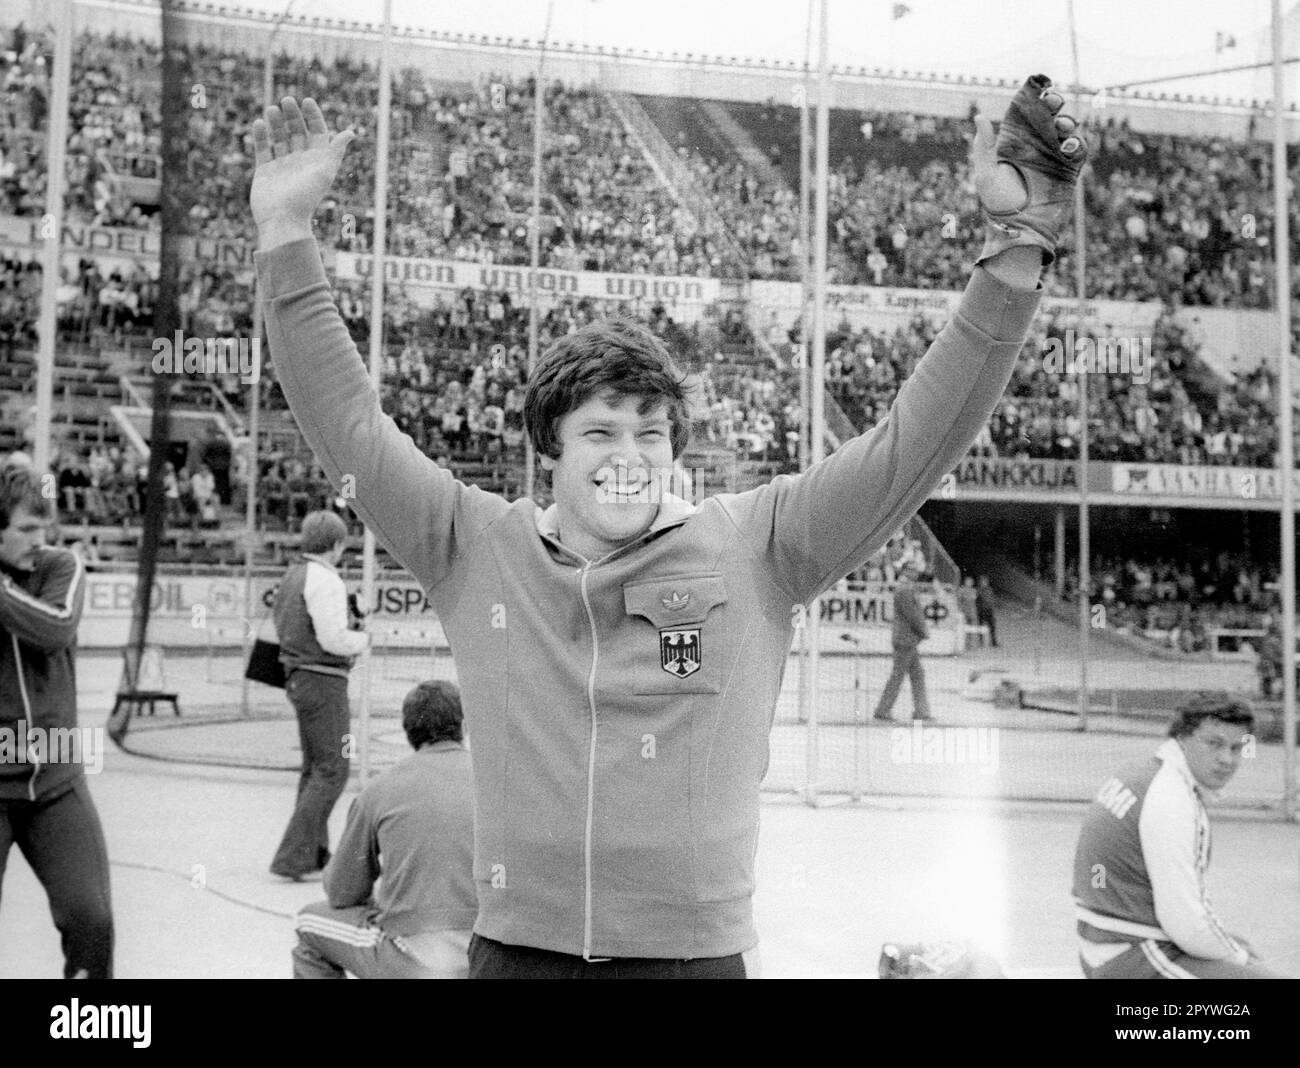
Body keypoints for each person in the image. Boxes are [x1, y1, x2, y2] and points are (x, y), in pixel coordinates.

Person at [249, 76, 1086, 977]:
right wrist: (286, 235)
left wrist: (1017, 253)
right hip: (514, 955)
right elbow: (350, 427)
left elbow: (914, 443)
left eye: (650, 431)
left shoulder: (758, 545)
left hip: (696, 962)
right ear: (549, 450)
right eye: (600, 430)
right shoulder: (477, 548)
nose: (629, 453)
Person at [1071, 693, 1288, 979]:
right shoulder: (1173, 798)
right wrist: (1240, 960)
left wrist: (1240, 954)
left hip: (1105, 942)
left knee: (1242, 951)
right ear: (1182, 738)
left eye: (1236, 748)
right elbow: (1187, 924)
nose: (1227, 759)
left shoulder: (1145, 773)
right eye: (1214, 744)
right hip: (1133, 954)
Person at [0, 459, 113, 977]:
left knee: (91, 918)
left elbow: (56, 628)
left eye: (43, 526)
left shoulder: (60, 567)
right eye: (25, 529)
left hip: (55, 782)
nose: (39, 539)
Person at [292, 680, 476, 979]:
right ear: (464, 727)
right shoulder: (495, 783)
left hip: (415, 958)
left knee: (308, 923)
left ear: (408, 733)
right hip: (486, 955)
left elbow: (341, 892)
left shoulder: (379, 789)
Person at [270, 510, 369, 881]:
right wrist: (365, 639)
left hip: (300, 677)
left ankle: (310, 853)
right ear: (337, 544)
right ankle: (293, 855)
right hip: (323, 679)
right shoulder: (325, 579)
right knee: (333, 769)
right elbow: (333, 639)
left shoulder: (293, 573)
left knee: (315, 768)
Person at [872, 561, 933, 722]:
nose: (916, 573)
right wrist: (924, 631)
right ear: (905, 571)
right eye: (911, 570)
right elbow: (912, 615)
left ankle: (921, 711)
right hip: (906, 639)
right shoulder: (905, 590)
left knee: (916, 675)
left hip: (907, 639)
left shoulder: (905, 587)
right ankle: (883, 710)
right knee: (899, 676)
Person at [975, 573, 999, 647]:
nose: (984, 582)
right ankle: (981, 642)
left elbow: (992, 599)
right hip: (981, 610)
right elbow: (976, 600)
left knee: (992, 626)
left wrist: (993, 605)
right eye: (983, 581)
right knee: (981, 626)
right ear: (980, 582)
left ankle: (994, 642)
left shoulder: (990, 589)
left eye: (986, 581)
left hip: (989, 610)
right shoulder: (978, 590)